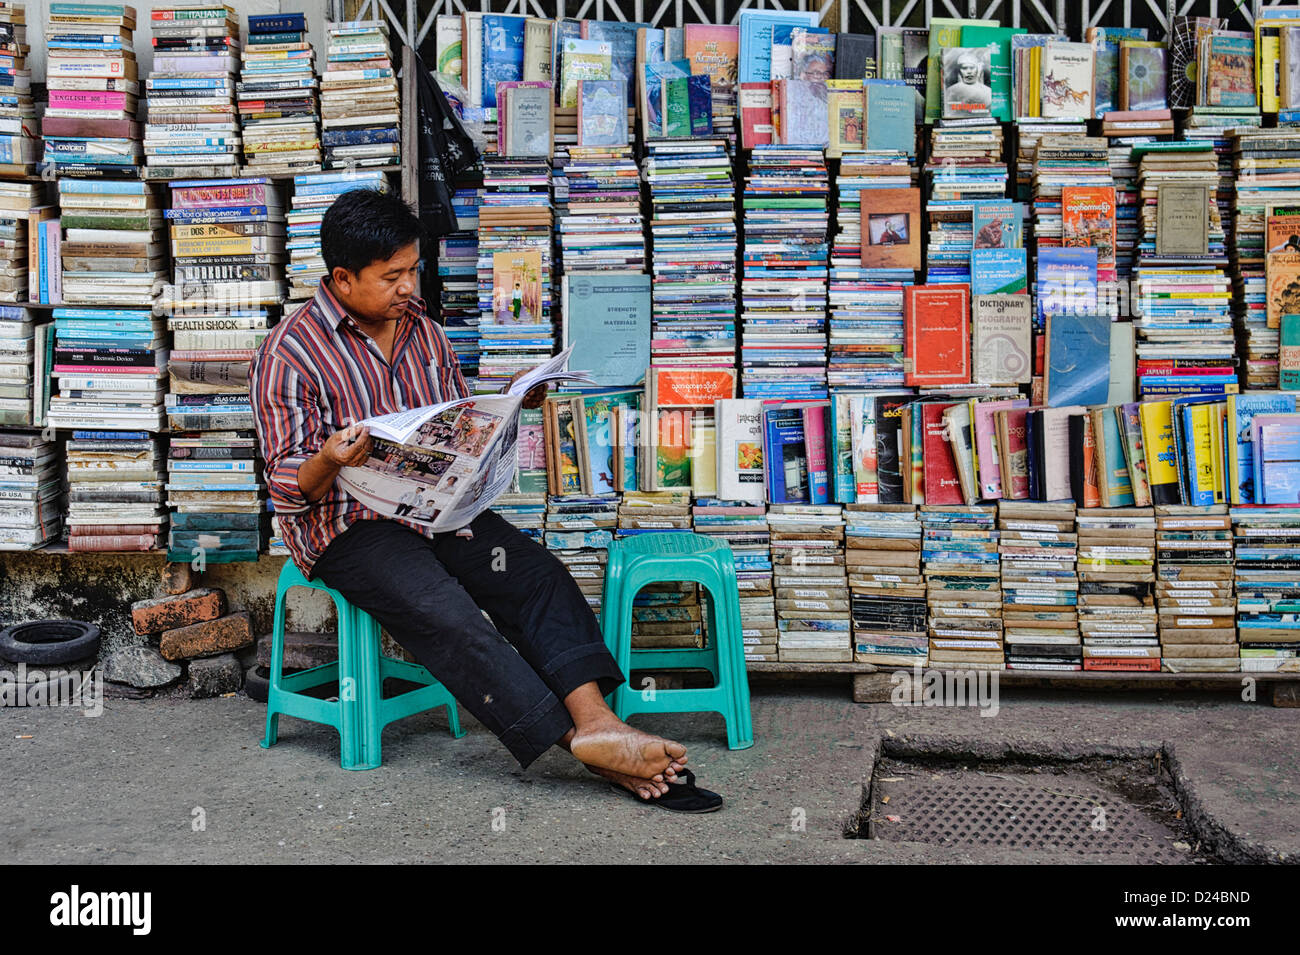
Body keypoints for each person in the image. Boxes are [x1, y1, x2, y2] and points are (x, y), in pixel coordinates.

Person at [250, 188, 717, 809]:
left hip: (440, 510)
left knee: (535, 574)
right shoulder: (290, 352)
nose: (408, 287)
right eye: (392, 276)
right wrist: (330, 458)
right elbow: (285, 487)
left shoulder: (425, 333)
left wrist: (497, 419)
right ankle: (587, 745)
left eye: (413, 270)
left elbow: (454, 424)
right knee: (446, 610)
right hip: (348, 528)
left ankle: (598, 721)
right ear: (342, 278)